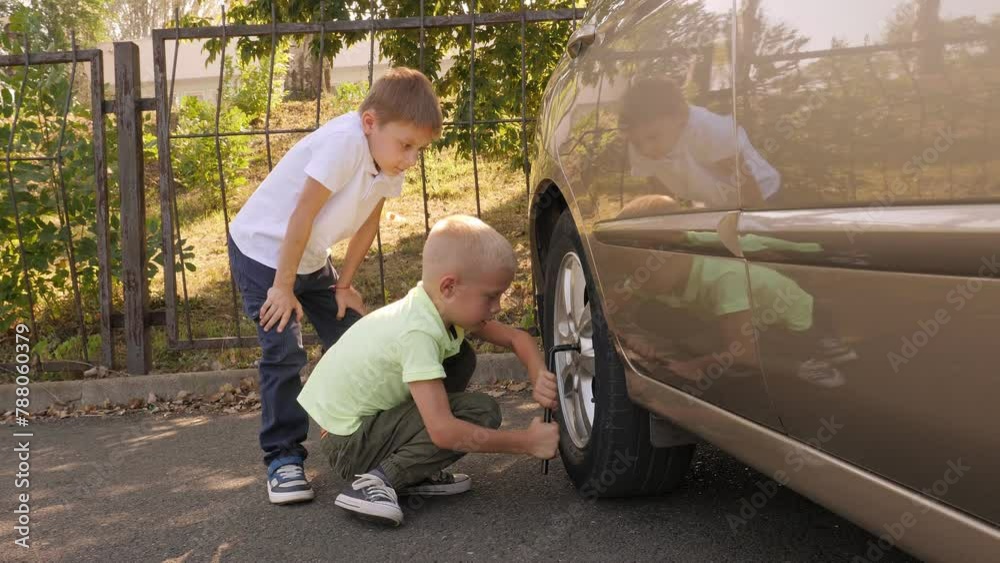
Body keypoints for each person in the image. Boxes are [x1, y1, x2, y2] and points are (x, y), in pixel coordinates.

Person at [226, 67, 442, 504]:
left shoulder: (386, 160)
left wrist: (343, 284)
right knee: (284, 349)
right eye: (406, 145)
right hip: (264, 252)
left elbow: (370, 222)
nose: (409, 158)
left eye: (417, 149)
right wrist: (283, 287)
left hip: (308, 255)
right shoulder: (344, 141)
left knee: (354, 338)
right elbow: (301, 214)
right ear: (370, 123)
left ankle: (389, 453)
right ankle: (283, 458)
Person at [297, 215, 560, 526]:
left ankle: (413, 469)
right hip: (349, 444)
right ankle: (375, 483)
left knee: (460, 356)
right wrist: (525, 443)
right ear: (449, 286)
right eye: (491, 296)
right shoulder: (418, 333)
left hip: (356, 428)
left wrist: (538, 373)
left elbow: (517, 337)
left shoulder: (434, 306)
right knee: (480, 412)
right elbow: (444, 431)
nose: (497, 307)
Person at [620, 78, 781, 208]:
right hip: (716, 204)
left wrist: (758, 222)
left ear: (680, 116)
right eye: (637, 143)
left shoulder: (708, 130)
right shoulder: (640, 140)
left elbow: (745, 178)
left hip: (760, 192)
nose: (646, 150)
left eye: (653, 137)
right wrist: (666, 216)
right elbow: (659, 187)